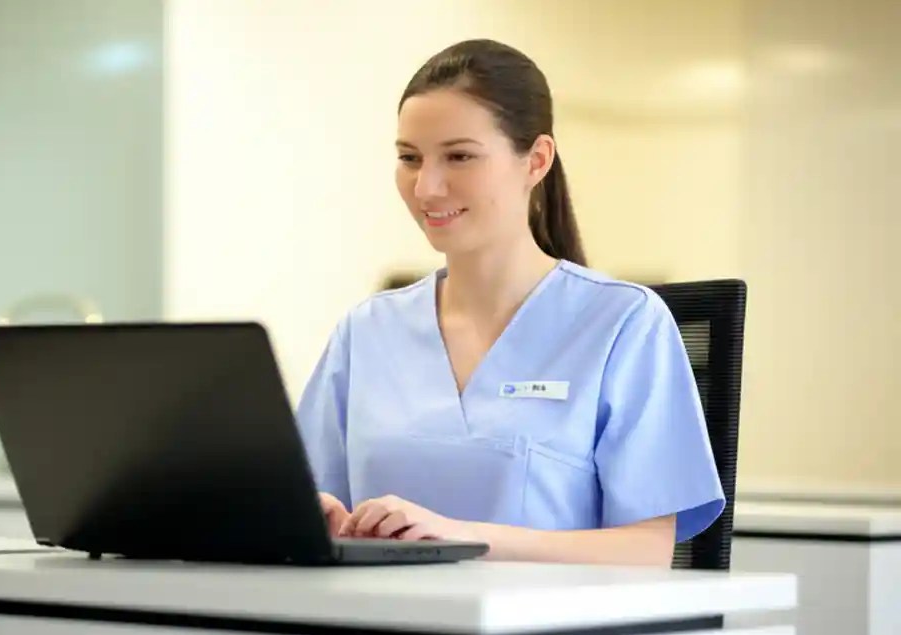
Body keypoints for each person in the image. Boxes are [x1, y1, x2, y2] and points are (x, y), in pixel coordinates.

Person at [294, 39, 724, 566]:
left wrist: (461, 538)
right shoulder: (367, 330)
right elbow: (305, 495)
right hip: (381, 634)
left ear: (536, 160)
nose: (426, 186)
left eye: (459, 156)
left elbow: (646, 550)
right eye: (410, 158)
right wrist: (319, 518)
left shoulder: (623, 324)